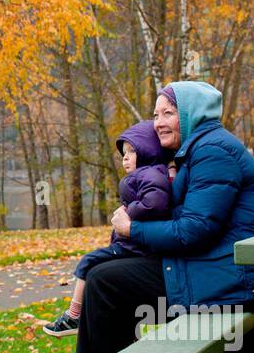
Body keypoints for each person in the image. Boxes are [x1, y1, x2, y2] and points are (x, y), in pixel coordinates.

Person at [65, 80, 254, 353]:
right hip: (218, 268)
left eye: (169, 113)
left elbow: (195, 229)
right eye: (155, 114)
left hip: (235, 279)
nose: (159, 122)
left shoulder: (213, 152)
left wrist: (132, 230)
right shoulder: (200, 150)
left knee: (105, 282)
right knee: (108, 270)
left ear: (192, 114)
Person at [43, 120, 172, 337]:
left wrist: (128, 212)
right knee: (96, 269)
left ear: (148, 150)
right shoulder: (147, 174)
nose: (125, 157)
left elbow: (155, 203)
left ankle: (74, 315)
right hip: (131, 243)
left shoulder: (150, 174)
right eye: (123, 152)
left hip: (135, 246)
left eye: (132, 151)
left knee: (88, 262)